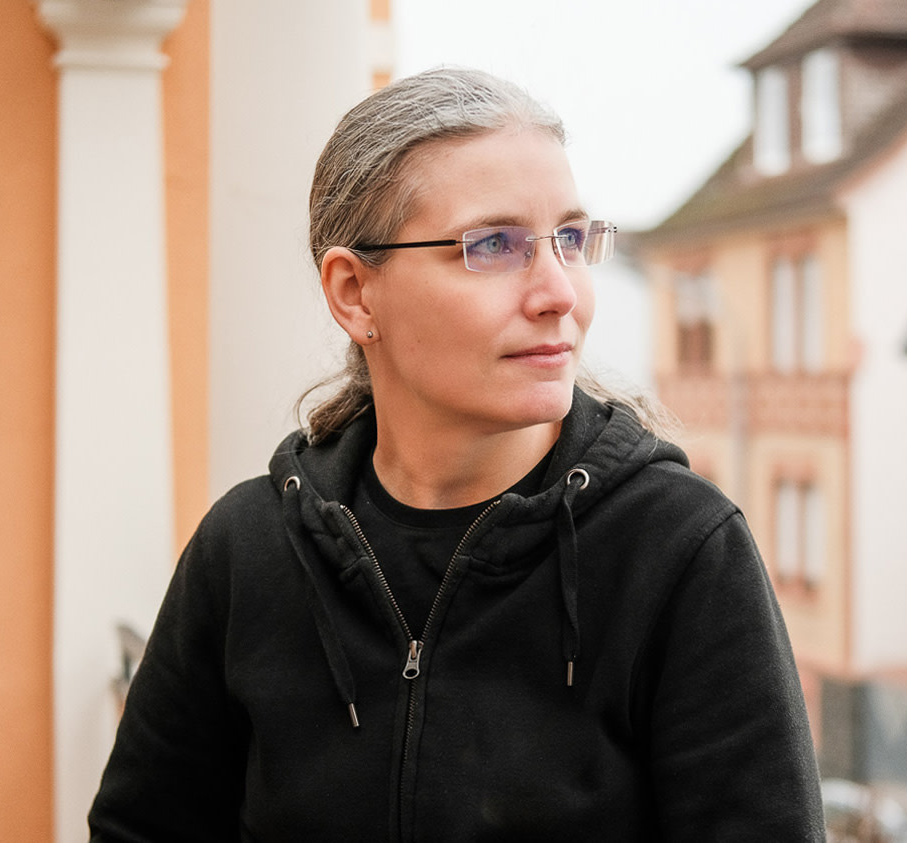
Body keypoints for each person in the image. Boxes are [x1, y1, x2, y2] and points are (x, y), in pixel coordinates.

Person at [89, 67, 824, 841]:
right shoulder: (246, 552)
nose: (558, 292)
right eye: (495, 245)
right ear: (354, 293)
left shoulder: (679, 550)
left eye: (570, 240)